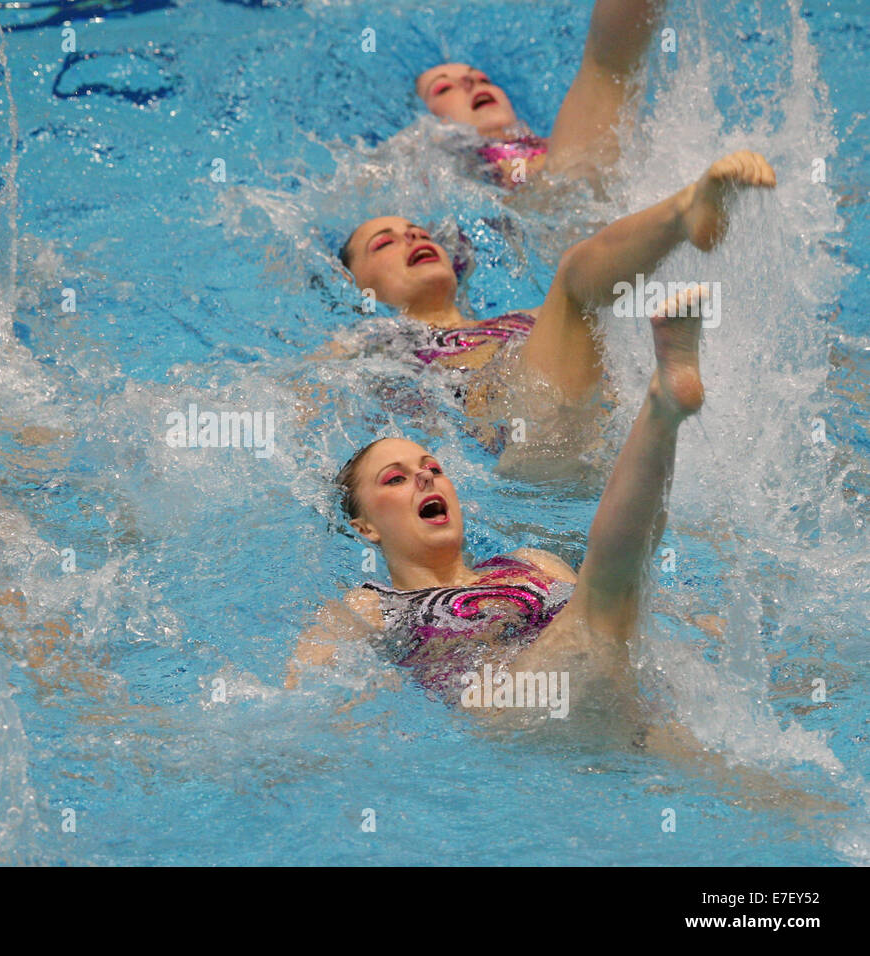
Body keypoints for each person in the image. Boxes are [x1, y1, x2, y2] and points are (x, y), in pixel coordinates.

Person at [290, 282, 708, 734]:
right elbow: (303, 698)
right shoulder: (370, 606)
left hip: (606, 694)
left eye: (432, 466)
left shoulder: (531, 562)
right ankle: (663, 407)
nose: (426, 477)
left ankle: (664, 406)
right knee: (607, 589)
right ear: (366, 526)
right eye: (395, 478)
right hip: (511, 706)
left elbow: (647, 616)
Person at [334, 151, 775, 475]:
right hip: (526, 451)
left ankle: (669, 398)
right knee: (572, 282)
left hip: (606, 451)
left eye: (416, 231)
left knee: (595, 297)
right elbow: (296, 398)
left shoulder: (531, 315)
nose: (412, 238)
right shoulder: (367, 341)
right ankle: (684, 213)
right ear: (355, 285)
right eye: (385, 243)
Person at [415, 0, 665, 188]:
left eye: (483, 79)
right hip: (559, 216)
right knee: (608, 68)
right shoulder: (461, 170)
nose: (471, 81)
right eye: (443, 88)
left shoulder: (547, 143)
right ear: (431, 120)